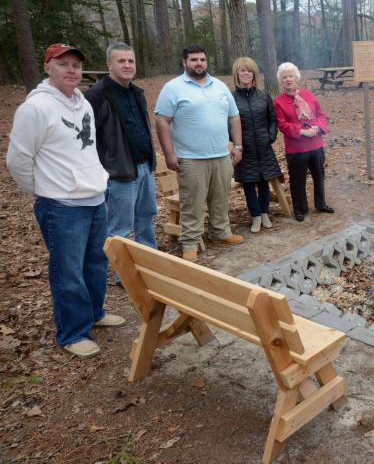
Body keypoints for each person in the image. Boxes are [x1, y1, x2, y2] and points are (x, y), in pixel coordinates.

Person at [7, 43, 126, 358]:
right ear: (48, 67)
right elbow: (18, 160)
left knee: (96, 262)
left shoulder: (82, 103)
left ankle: (94, 314)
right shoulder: (35, 109)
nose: (72, 70)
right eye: (63, 64)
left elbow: (85, 149)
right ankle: (72, 333)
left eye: (76, 65)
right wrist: (45, 190)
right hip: (61, 207)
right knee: (68, 270)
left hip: (93, 198)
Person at [154, 44, 244, 261]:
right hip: (191, 158)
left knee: (220, 198)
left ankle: (220, 232)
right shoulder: (173, 87)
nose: (199, 63)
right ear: (184, 62)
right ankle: (190, 243)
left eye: (202, 59)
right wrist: (169, 154)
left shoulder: (220, 86)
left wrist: (238, 146)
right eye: (193, 60)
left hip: (221, 155)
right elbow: (162, 120)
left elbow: (234, 116)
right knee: (192, 202)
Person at [85, 42, 157, 254]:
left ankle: (149, 265)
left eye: (131, 61)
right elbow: (89, 140)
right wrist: (103, 169)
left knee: (146, 219)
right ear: (109, 65)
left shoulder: (137, 93)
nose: (127, 65)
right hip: (118, 173)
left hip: (144, 167)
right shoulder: (96, 96)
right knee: (120, 228)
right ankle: (123, 275)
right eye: (121, 61)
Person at [273, 62, 334, 222]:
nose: (288, 79)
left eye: (290, 76)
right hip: (296, 148)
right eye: (284, 77)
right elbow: (282, 124)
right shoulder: (278, 101)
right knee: (297, 180)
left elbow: (320, 115)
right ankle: (300, 209)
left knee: (319, 176)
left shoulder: (308, 95)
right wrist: (302, 131)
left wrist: (317, 127)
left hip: (316, 145)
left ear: (296, 77)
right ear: (281, 80)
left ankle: (321, 204)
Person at [231, 57, 282, 233]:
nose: (246, 73)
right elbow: (227, 123)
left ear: (254, 74)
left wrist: (270, 136)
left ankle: (265, 212)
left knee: (263, 180)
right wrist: (237, 142)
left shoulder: (263, 96)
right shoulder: (231, 98)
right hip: (245, 149)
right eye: (242, 70)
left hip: (263, 146)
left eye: (249, 70)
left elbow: (273, 119)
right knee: (248, 182)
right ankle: (255, 216)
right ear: (237, 74)